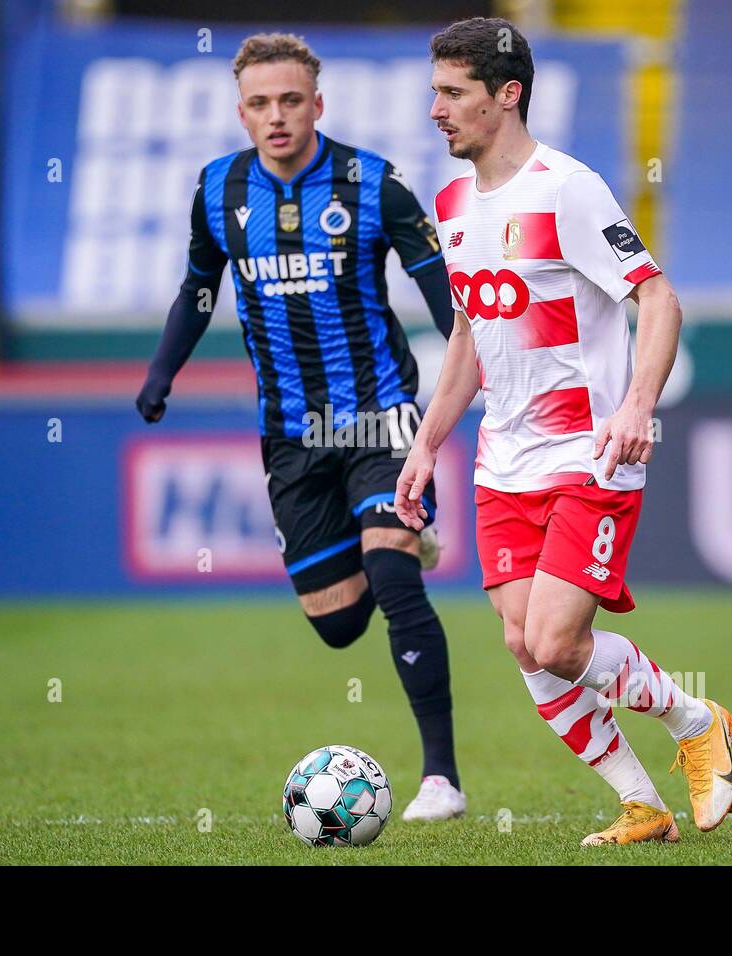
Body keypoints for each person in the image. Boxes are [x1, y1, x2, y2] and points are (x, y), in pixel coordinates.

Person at [395, 16, 732, 845]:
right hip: (502, 460)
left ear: (505, 96)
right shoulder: (450, 205)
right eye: (434, 91)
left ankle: (698, 722)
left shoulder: (567, 188)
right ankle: (640, 803)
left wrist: (636, 406)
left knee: (555, 640)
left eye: (452, 93)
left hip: (591, 452)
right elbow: (472, 335)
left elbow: (657, 298)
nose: (435, 109)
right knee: (523, 643)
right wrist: (429, 440)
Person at [137, 33, 469, 817]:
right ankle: (394, 539)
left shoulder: (373, 184)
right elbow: (196, 288)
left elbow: (443, 296)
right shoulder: (217, 191)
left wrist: (462, 383)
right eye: (260, 103)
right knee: (339, 626)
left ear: (317, 104)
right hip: (292, 435)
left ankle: (440, 778)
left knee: (392, 577)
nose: (277, 116)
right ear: (242, 111)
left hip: (382, 418)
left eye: (291, 100)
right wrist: (162, 371)